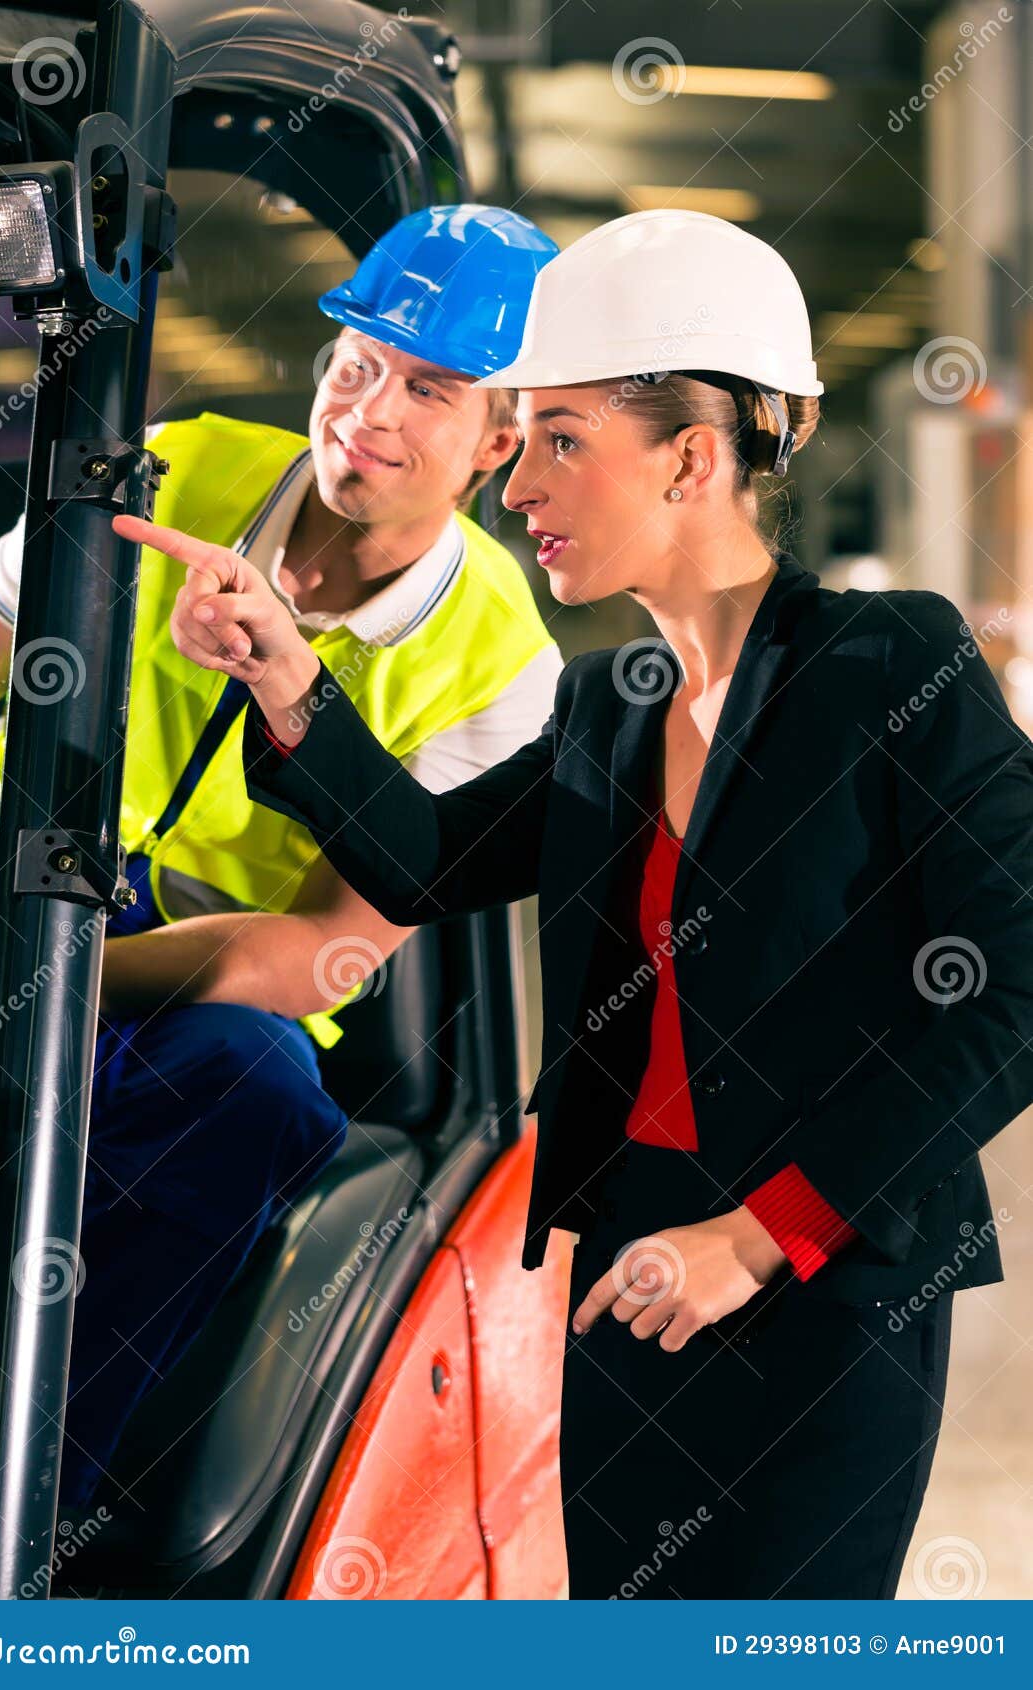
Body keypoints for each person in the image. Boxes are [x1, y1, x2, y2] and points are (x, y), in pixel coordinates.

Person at [123, 208, 1033, 1599]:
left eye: (558, 439)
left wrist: (755, 1236)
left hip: (821, 1270)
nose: (514, 487)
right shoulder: (612, 703)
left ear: (691, 458)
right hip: (622, 1265)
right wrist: (285, 672)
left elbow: (1015, 986)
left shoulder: (887, 662)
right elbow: (427, 860)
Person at [0, 203, 561, 1511]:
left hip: (189, 980)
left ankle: (24, 1503)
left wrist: (27, 984)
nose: (368, 413)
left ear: (500, 438)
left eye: (429, 390)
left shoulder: (503, 665)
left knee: (253, 1099)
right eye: (358, 363)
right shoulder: (176, 469)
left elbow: (319, 953)